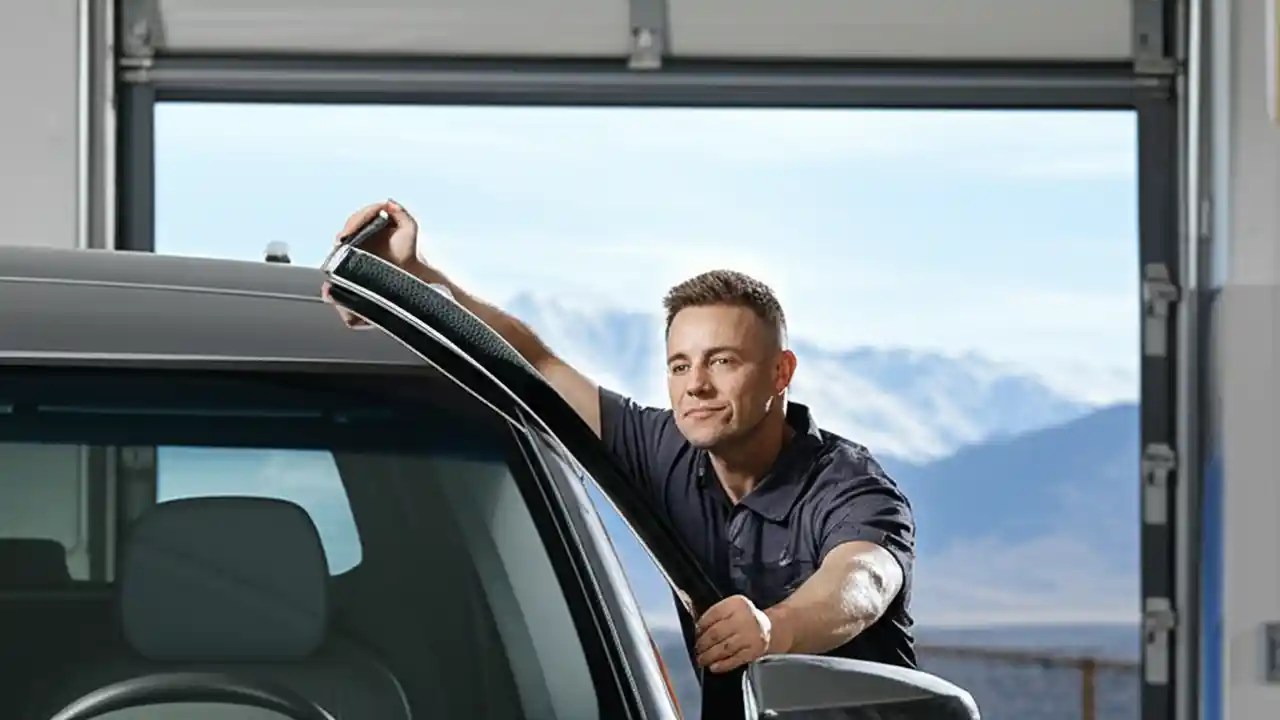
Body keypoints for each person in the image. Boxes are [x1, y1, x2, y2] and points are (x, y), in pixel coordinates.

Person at [322, 199, 917, 679]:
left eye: (722, 361)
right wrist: (417, 278)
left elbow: (863, 582)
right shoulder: (665, 448)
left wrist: (772, 630)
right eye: (680, 365)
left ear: (781, 373)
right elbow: (535, 366)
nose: (696, 385)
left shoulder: (847, 485)